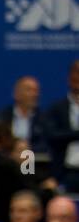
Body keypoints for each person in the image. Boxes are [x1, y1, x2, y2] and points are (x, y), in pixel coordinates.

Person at [39, 59, 79, 192]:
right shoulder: (57, 108)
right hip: (67, 172)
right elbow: (52, 136)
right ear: (69, 78)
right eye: (75, 73)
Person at [0, 76, 42, 145]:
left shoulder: (43, 119)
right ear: (16, 94)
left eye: (36, 91)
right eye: (29, 90)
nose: (35, 94)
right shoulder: (2, 117)